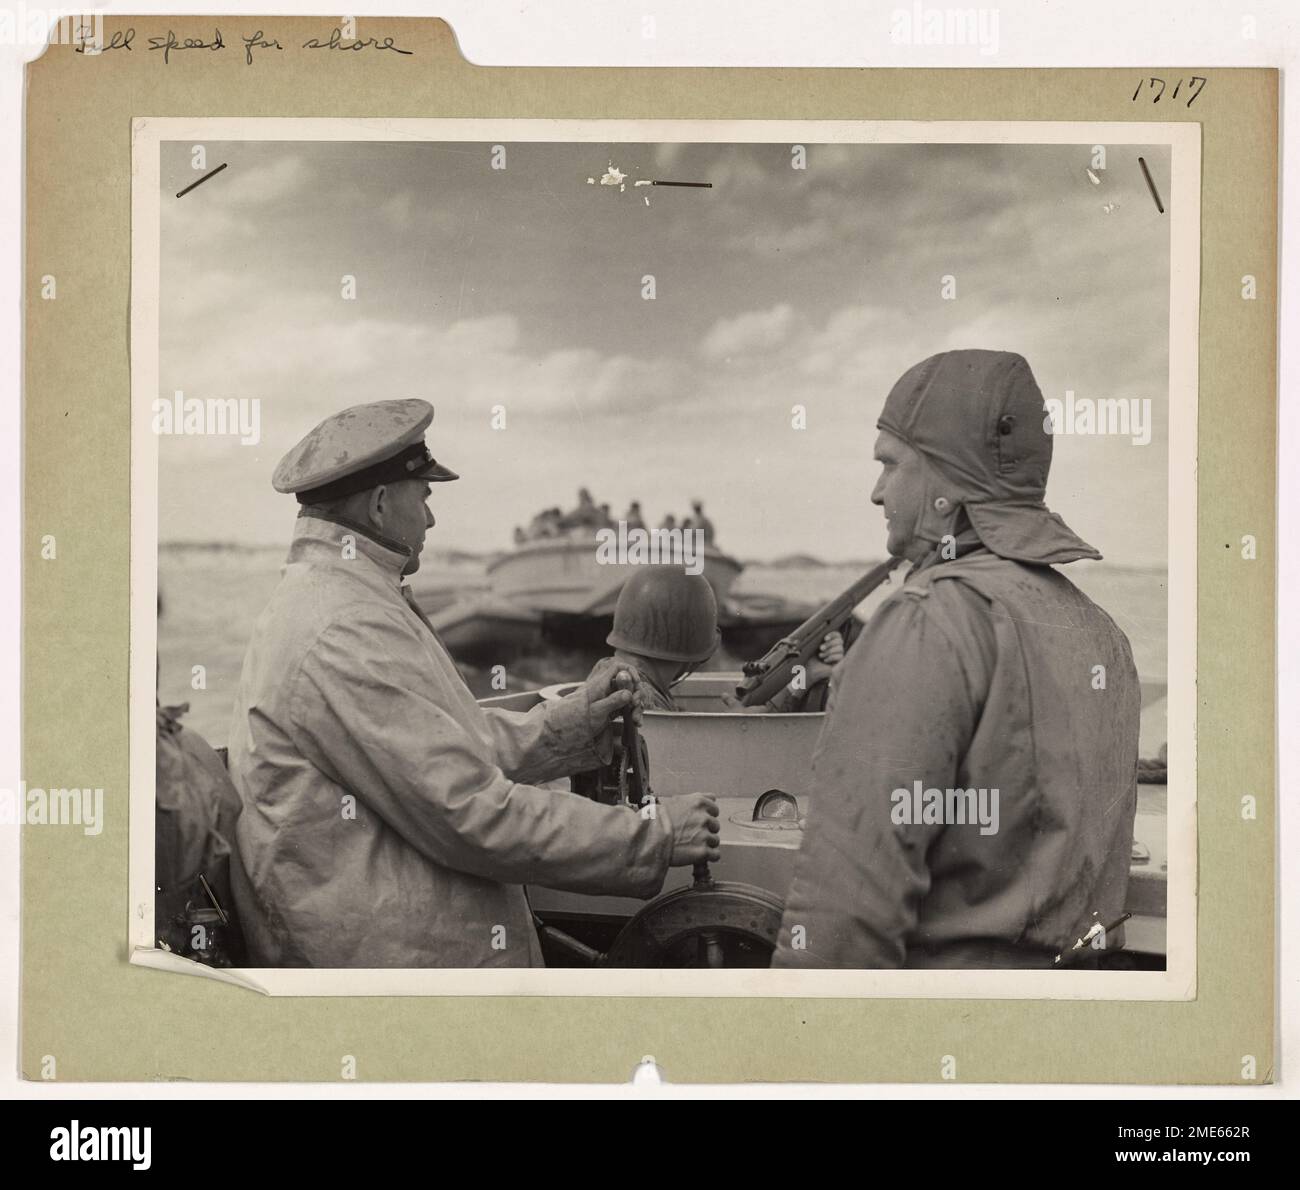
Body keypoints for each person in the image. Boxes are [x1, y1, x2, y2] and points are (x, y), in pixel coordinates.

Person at [227, 399, 720, 967]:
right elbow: (468, 812)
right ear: (382, 504)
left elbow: (447, 745)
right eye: (425, 498)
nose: (433, 520)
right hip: (388, 977)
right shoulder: (342, 627)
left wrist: (571, 727)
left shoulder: (346, 599)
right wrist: (652, 838)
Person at [772, 350, 1140, 970]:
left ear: (946, 486)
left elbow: (844, 919)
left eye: (891, 465)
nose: (876, 491)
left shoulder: (926, 622)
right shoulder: (1104, 635)